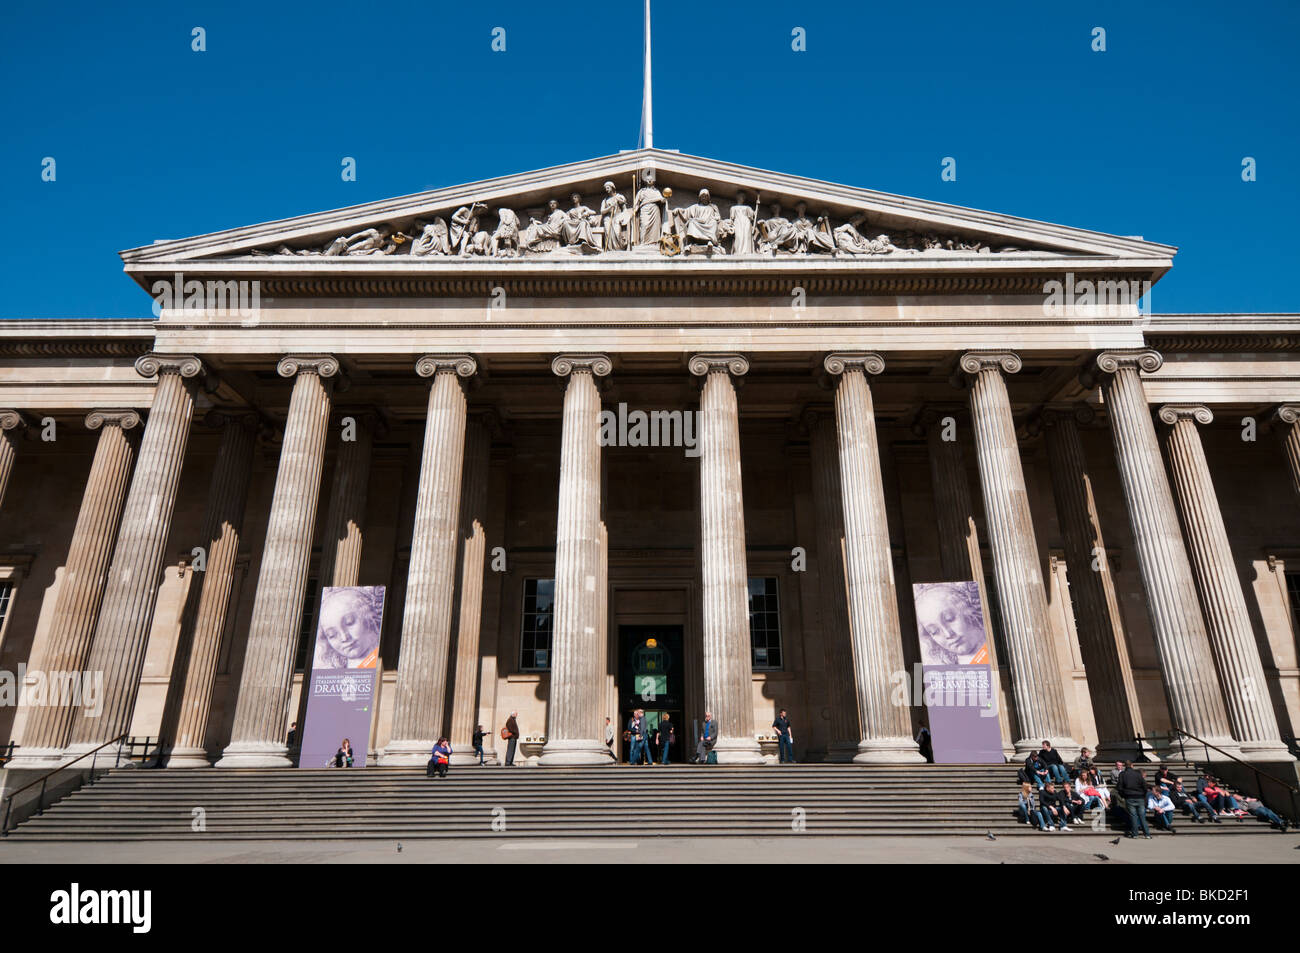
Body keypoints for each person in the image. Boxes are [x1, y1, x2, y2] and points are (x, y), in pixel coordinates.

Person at [1116, 761, 1151, 839]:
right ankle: (1147, 834)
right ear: (1132, 765)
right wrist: (1143, 794)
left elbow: (1119, 787)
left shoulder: (1122, 774)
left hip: (1129, 797)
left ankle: (1135, 834)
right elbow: (1144, 786)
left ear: (1125, 766)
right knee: (1142, 816)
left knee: (1133, 816)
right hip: (1140, 797)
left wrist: (1123, 795)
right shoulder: (1138, 774)